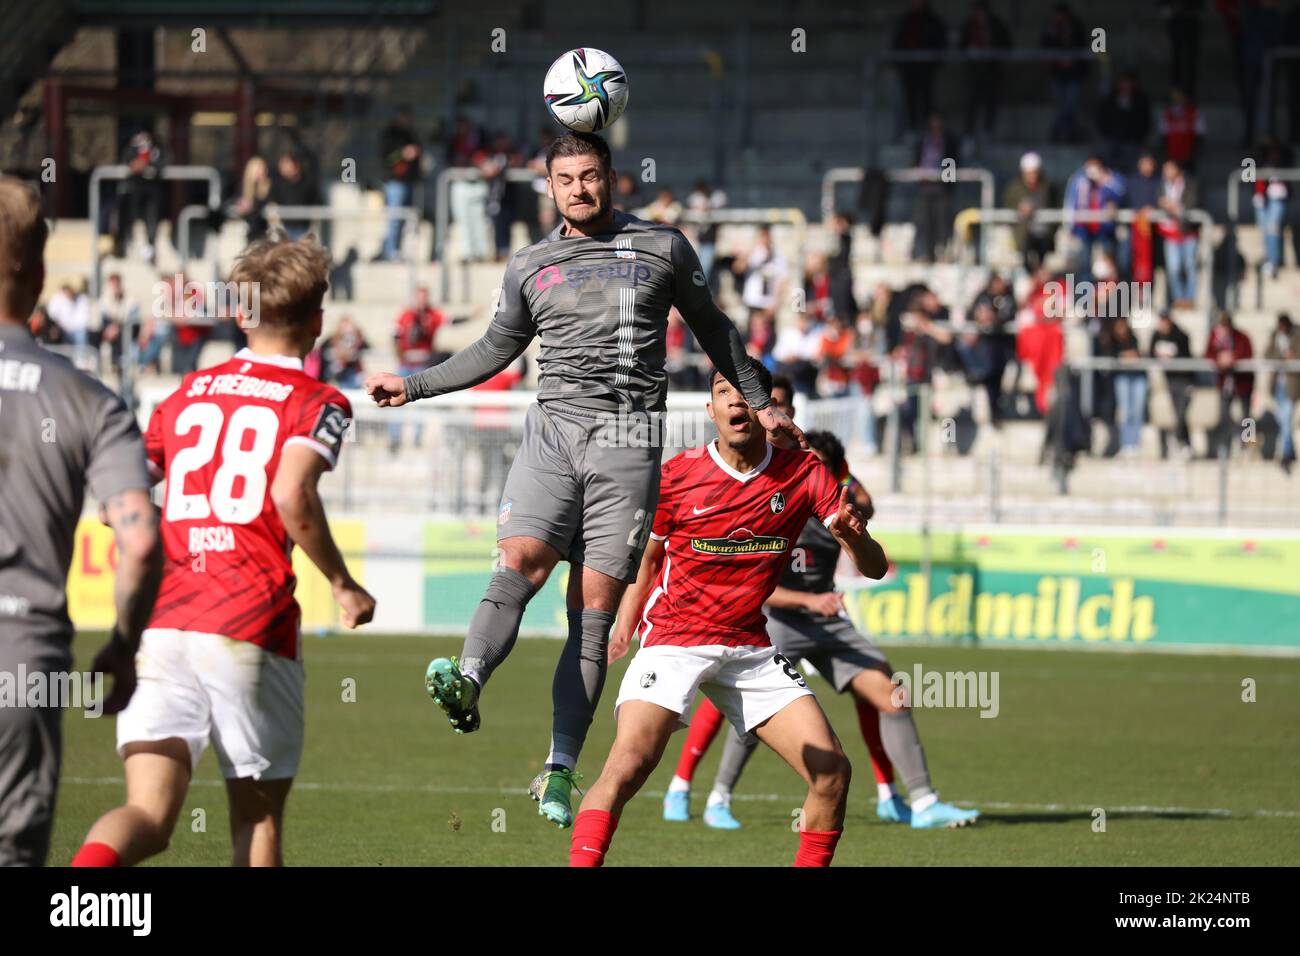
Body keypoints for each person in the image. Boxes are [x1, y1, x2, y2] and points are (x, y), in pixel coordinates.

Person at [363, 132, 802, 829]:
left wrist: (765, 400)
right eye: (565, 178)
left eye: (590, 175)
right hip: (553, 434)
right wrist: (413, 387)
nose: (579, 188)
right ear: (549, 186)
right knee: (519, 561)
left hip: (629, 446)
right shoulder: (532, 264)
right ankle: (468, 680)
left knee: (592, 613)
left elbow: (715, 329)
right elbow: (493, 348)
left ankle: (560, 768)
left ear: (611, 178)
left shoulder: (665, 248)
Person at [71, 235, 376, 868]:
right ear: (318, 322)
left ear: (240, 314)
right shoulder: (320, 402)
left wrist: (179, 523)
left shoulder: (184, 395)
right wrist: (343, 583)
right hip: (248, 622)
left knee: (148, 817)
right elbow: (291, 493)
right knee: (256, 821)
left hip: (165, 624)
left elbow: (114, 500)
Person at [571, 364, 888, 867]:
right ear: (711, 409)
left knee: (832, 773)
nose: (737, 403)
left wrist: (854, 534)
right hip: (674, 640)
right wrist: (624, 626)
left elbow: (873, 567)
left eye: (747, 395)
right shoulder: (675, 476)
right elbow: (647, 561)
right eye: (725, 393)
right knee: (627, 767)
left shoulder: (805, 473)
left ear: (767, 410)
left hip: (750, 647)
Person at [662, 426, 979, 832]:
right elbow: (749, 584)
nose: (819, 479)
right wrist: (808, 601)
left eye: (828, 472)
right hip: (776, 621)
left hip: (826, 624)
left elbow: (865, 506)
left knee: (893, 695)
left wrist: (842, 478)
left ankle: (924, 802)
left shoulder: (840, 509)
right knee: (759, 713)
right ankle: (719, 798)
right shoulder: (771, 504)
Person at [0, 176, 162, 865]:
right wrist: (122, 644)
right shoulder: (88, 401)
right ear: (40, 273)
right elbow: (140, 541)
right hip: (21, 661)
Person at [1204, 310, 1255, 459]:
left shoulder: (1242, 337)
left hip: (1243, 382)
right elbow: (1208, 354)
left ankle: (1249, 446)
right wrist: (1219, 358)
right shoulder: (1214, 337)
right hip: (1225, 383)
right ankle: (1228, 444)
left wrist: (1233, 358)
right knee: (1224, 415)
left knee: (1247, 416)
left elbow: (1248, 355)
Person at [1003, 151, 1060, 272]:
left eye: (1035, 173)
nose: (1032, 177)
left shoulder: (1048, 187)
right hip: (1024, 233)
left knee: (1043, 261)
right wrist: (1019, 208)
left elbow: (1055, 206)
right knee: (1026, 262)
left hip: (1044, 234)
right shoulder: (1015, 188)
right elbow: (1009, 204)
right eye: (1029, 173)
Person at [379, 106, 423, 262]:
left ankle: (396, 249)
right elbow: (387, 158)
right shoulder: (389, 135)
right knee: (395, 217)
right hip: (394, 183)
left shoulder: (411, 134)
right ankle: (391, 251)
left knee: (405, 219)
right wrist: (402, 154)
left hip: (409, 181)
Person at [1149, 308, 1193, 457]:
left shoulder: (1181, 335)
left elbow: (1186, 356)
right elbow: (1150, 354)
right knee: (1172, 413)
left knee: (1180, 413)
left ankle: (1182, 441)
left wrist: (1170, 357)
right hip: (1167, 380)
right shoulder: (1156, 335)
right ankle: (1176, 442)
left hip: (1182, 379)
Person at [1157, 159, 1200, 308]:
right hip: (1170, 233)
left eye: (1168, 169)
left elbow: (1193, 204)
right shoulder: (1162, 185)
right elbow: (1160, 203)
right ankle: (1178, 298)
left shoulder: (1191, 183)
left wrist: (1176, 208)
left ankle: (1190, 298)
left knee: (1190, 266)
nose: (1165, 173)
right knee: (1173, 268)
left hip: (1188, 232)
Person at [116, 129, 164, 262]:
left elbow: (162, 164)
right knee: (128, 217)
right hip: (134, 191)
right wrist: (138, 164)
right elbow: (129, 164)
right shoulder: (130, 149)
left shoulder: (158, 149)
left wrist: (146, 163)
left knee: (151, 220)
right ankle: (124, 246)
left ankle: (149, 250)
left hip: (152, 192)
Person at [1265, 312, 1300, 472]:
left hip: (1292, 385)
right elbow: (1267, 355)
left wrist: (1293, 357)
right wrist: (1282, 356)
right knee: (1283, 420)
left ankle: (1286, 454)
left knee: (1286, 419)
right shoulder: (1275, 336)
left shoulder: (1297, 335)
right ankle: (1291, 452)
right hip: (1277, 386)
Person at [267, 152, 319, 241]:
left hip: (303, 230)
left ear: (296, 166)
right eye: (282, 165)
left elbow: (316, 203)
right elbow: (272, 203)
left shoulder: (308, 183)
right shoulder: (277, 184)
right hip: (283, 230)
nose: (283, 168)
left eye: (286, 164)